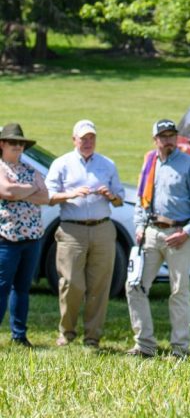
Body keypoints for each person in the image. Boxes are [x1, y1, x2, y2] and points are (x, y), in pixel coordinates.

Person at [126, 119, 190, 358]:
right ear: (155, 140)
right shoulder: (150, 163)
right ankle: (144, 344)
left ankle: (180, 348)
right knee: (135, 286)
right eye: (163, 137)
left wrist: (186, 233)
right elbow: (142, 199)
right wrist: (140, 226)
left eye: (172, 136)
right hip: (151, 233)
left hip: (179, 234)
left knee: (179, 291)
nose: (168, 141)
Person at [45, 119, 124, 349]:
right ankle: (66, 332)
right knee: (72, 283)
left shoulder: (107, 164)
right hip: (72, 231)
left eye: (91, 138)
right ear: (74, 140)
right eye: (83, 138)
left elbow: (119, 200)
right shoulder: (62, 164)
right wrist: (70, 194)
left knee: (100, 285)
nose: (88, 142)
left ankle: (92, 337)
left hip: (102, 228)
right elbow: (48, 196)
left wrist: (110, 195)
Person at [0, 123, 48, 348]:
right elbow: (6, 192)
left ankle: (19, 335)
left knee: (22, 288)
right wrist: (30, 188)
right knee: (2, 287)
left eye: (21, 143)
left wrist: (21, 189)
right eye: (13, 143)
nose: (18, 146)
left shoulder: (30, 168)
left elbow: (45, 196)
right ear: (3, 144)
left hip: (32, 238)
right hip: (6, 240)